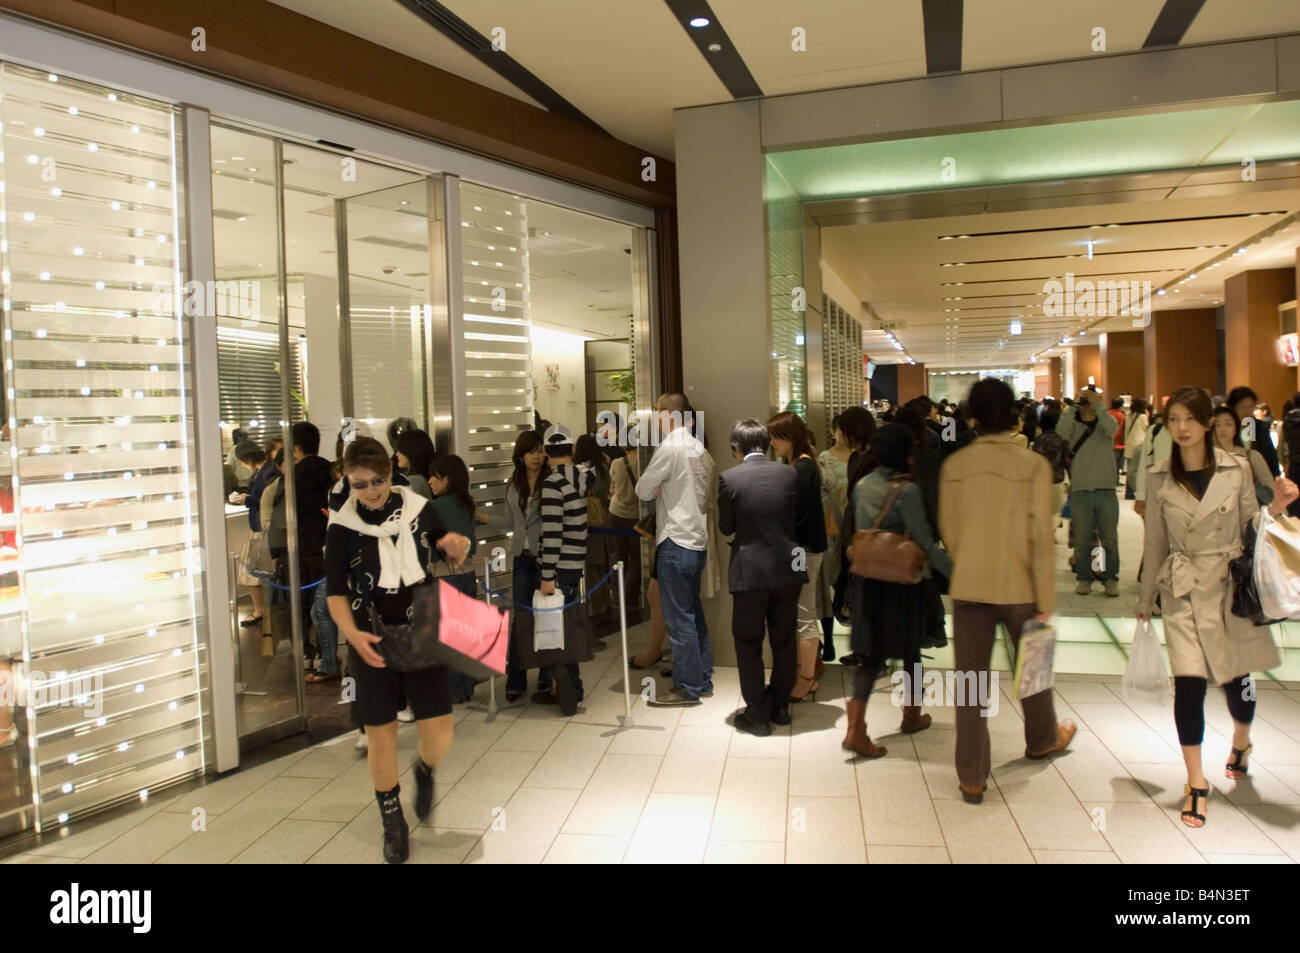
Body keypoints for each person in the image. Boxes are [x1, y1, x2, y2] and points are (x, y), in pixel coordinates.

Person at [1136, 387, 1297, 828]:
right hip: (1183, 589)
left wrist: (1279, 508)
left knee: (1236, 680)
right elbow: (1155, 541)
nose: (1181, 428)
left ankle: (1241, 740)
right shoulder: (1158, 476)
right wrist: (1146, 597)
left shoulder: (1237, 468)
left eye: (1190, 419)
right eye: (1173, 420)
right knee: (1187, 683)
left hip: (1228, 589)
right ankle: (1196, 781)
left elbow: (1253, 529)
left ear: (1208, 423)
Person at [324, 436, 469, 863]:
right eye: (360, 483)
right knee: (381, 737)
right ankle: (392, 820)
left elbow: (446, 540)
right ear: (347, 480)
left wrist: (454, 544)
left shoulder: (417, 507)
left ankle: (424, 769)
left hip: (422, 625)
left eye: (379, 479)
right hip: (370, 635)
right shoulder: (342, 528)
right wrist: (351, 633)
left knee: (439, 732)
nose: (371, 490)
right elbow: (334, 592)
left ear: (391, 472)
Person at [941, 379, 1075, 802]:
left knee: (970, 683)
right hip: (1022, 587)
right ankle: (1041, 738)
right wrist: (1046, 599)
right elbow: (1040, 536)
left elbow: (950, 531)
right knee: (1034, 671)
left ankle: (971, 774)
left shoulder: (955, 467)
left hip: (971, 586)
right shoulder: (1032, 466)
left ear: (973, 417)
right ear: (1015, 416)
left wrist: (972, 559)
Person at [842, 424, 950, 758]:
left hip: (867, 579)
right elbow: (923, 541)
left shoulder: (862, 486)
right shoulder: (907, 491)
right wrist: (954, 572)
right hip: (902, 584)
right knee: (911, 650)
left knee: (871, 658)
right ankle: (911, 716)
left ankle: (855, 728)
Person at [716, 418, 804, 736]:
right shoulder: (790, 473)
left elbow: (726, 527)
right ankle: (781, 705)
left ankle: (757, 712)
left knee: (749, 642)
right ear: (767, 444)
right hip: (790, 565)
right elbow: (799, 516)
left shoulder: (729, 478)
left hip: (750, 569)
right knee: (783, 639)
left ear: (736, 449)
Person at [637, 392, 714, 707]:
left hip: (674, 540)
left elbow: (644, 488)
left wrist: (657, 489)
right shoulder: (699, 448)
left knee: (678, 619)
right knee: (693, 614)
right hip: (696, 540)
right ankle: (702, 678)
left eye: (658, 411)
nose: (656, 416)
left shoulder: (669, 448)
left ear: (669, 414)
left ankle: (687, 688)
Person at [767, 411, 826, 701]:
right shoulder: (799, 465)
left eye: (777, 437)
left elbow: (799, 517)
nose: (772, 442)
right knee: (799, 612)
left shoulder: (803, 468)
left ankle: (806, 678)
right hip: (801, 549)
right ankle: (805, 674)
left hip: (803, 550)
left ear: (791, 437)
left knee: (804, 613)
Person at [535, 424, 593, 714]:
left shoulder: (551, 484)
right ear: (571, 449)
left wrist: (547, 575)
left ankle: (570, 691)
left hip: (558, 568)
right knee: (566, 626)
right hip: (577, 562)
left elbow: (553, 531)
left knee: (557, 632)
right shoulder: (583, 477)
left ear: (546, 451)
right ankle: (569, 687)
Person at [1056, 386, 1120, 596]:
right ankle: (1084, 578)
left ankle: (1109, 578)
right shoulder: (1073, 426)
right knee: (1083, 541)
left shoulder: (1104, 425)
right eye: (1084, 402)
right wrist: (1073, 404)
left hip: (1106, 489)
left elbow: (1113, 428)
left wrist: (1098, 405)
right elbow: (1060, 432)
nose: (1087, 406)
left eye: (1090, 401)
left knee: (1108, 539)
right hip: (1081, 491)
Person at [503, 431, 552, 703]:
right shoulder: (513, 486)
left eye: (540, 450)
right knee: (521, 619)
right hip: (522, 557)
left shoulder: (552, 481)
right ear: (520, 455)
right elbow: (511, 521)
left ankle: (546, 677)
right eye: (531, 451)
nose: (536, 456)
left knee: (546, 618)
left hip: (545, 557)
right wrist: (478, 515)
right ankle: (516, 678)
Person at [428, 453, 480, 704]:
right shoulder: (466, 504)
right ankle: (466, 687)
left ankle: (453, 690)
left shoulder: (435, 508)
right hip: (468, 575)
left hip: (445, 577)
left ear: (446, 479)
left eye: (434, 476)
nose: (429, 481)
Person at [818, 414, 853, 662]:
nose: (842, 435)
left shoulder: (861, 456)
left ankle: (859, 643)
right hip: (831, 530)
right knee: (826, 584)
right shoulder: (824, 458)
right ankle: (828, 640)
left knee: (851, 584)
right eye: (840, 430)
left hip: (855, 530)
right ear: (833, 431)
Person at [602, 415, 642, 622]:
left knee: (618, 556)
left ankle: (616, 596)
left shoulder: (616, 463)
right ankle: (631, 600)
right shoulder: (644, 463)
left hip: (616, 512)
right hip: (636, 515)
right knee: (635, 558)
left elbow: (613, 488)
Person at [574, 433, 614, 622]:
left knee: (590, 565)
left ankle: (597, 603)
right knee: (600, 563)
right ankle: (604, 600)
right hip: (602, 517)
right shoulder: (603, 468)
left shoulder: (579, 471)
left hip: (587, 521)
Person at [231, 441, 270, 627]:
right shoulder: (263, 471)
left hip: (262, 529)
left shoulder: (266, 472)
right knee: (253, 572)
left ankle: (260, 610)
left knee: (251, 572)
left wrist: (247, 500)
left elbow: (265, 501)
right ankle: (261, 609)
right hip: (259, 527)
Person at [1212, 405, 1273, 506]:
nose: (1222, 429)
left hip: (1249, 514)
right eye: (1217, 425)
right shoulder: (1204, 459)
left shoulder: (1252, 456)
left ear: (1236, 428)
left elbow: (1270, 489)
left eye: (1228, 424)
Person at [1227, 386, 1280, 478]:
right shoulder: (1227, 430)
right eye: (1243, 407)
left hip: (1260, 482)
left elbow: (1271, 457)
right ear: (1233, 408)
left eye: (1251, 407)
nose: (1247, 412)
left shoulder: (1259, 428)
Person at [1031, 409, 1070, 531]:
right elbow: (1067, 461)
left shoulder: (1038, 440)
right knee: (1056, 510)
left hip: (1039, 480)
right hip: (1057, 479)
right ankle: (1051, 533)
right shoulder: (1062, 441)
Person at [394, 428, 435, 500]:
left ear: (411, 452)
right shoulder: (419, 477)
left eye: (401, 450)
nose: (397, 454)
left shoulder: (414, 480)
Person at [1123, 399, 1150, 500]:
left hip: (1129, 444)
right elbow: (1147, 429)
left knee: (1130, 470)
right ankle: (1135, 490)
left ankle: (1129, 492)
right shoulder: (1143, 417)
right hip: (1139, 444)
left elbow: (1126, 431)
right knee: (1137, 470)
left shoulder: (1129, 416)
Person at [1109, 397, 1127, 480]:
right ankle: (1115, 480)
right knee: (1116, 463)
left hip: (1106, 443)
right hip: (1117, 444)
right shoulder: (1121, 416)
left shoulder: (1107, 413)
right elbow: (1119, 431)